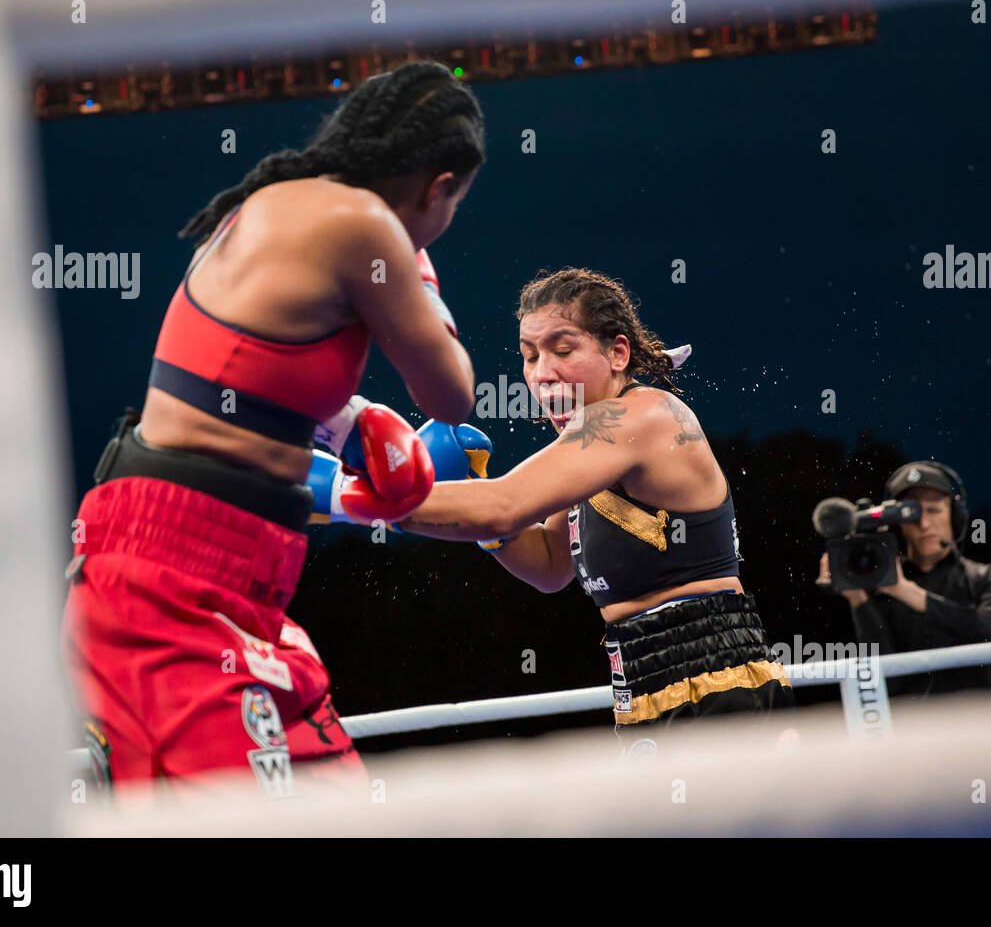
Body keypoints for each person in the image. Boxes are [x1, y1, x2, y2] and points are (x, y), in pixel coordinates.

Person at [61, 61, 484, 796]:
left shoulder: (264, 206)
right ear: (439, 187)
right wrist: (421, 275)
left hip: (216, 573)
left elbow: (224, 369)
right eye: (453, 207)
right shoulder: (368, 225)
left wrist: (347, 423)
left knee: (335, 804)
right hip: (175, 580)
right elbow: (452, 394)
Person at [310, 268, 794, 739]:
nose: (542, 374)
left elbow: (504, 503)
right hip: (647, 686)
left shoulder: (639, 416)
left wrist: (339, 494)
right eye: (529, 356)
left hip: (716, 682)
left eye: (562, 350)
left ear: (618, 353)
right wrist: (479, 509)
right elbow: (548, 563)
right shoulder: (589, 444)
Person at [819, 461, 991, 696]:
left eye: (934, 510)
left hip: (984, 725)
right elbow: (885, 682)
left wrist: (904, 590)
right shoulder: (879, 588)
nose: (924, 524)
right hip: (915, 729)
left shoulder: (990, 577)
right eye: (911, 515)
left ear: (954, 518)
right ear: (899, 526)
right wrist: (858, 600)